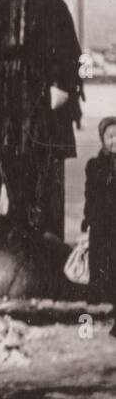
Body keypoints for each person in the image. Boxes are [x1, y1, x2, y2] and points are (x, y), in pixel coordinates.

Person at [0, 0, 82, 237]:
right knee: (7, 150)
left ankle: (40, 213)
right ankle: (17, 209)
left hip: (39, 88)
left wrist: (63, 85)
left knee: (39, 150)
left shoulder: (52, 5)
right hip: (2, 90)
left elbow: (70, 50)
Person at [81, 117, 116, 334]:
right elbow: (90, 195)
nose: (115, 141)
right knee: (106, 267)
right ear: (103, 139)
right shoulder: (94, 165)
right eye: (110, 137)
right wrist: (87, 219)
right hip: (102, 227)